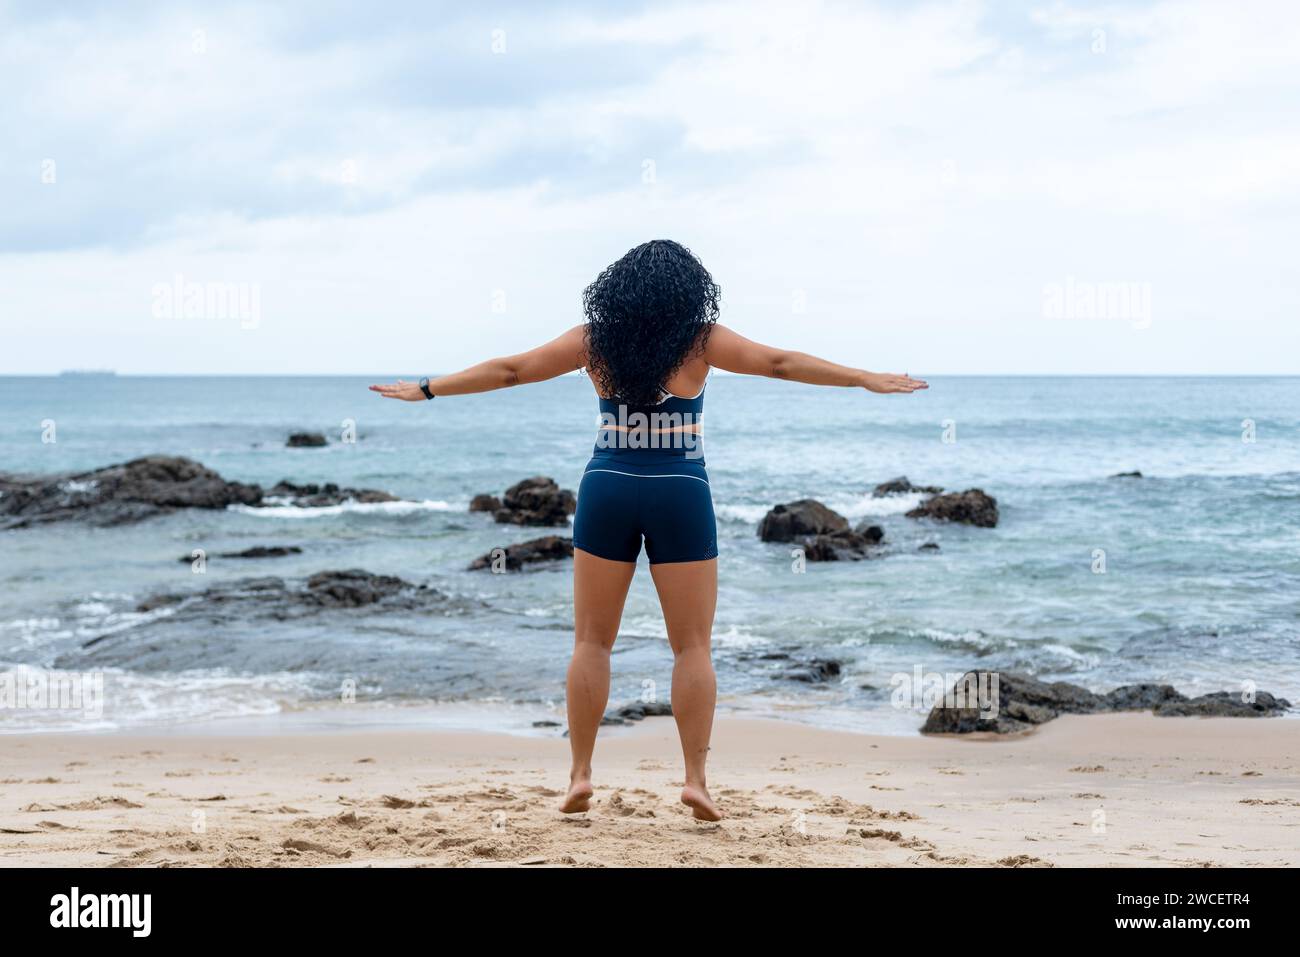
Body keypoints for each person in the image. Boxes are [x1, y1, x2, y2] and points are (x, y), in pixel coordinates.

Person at [370, 239, 927, 821]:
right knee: (692, 646)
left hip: (608, 486)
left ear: (620, 286)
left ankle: (580, 775)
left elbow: (511, 370)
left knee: (591, 641)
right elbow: (780, 364)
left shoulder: (595, 340)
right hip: (680, 493)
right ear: (689, 289)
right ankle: (695, 782)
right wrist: (864, 378)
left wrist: (429, 388)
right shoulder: (701, 341)